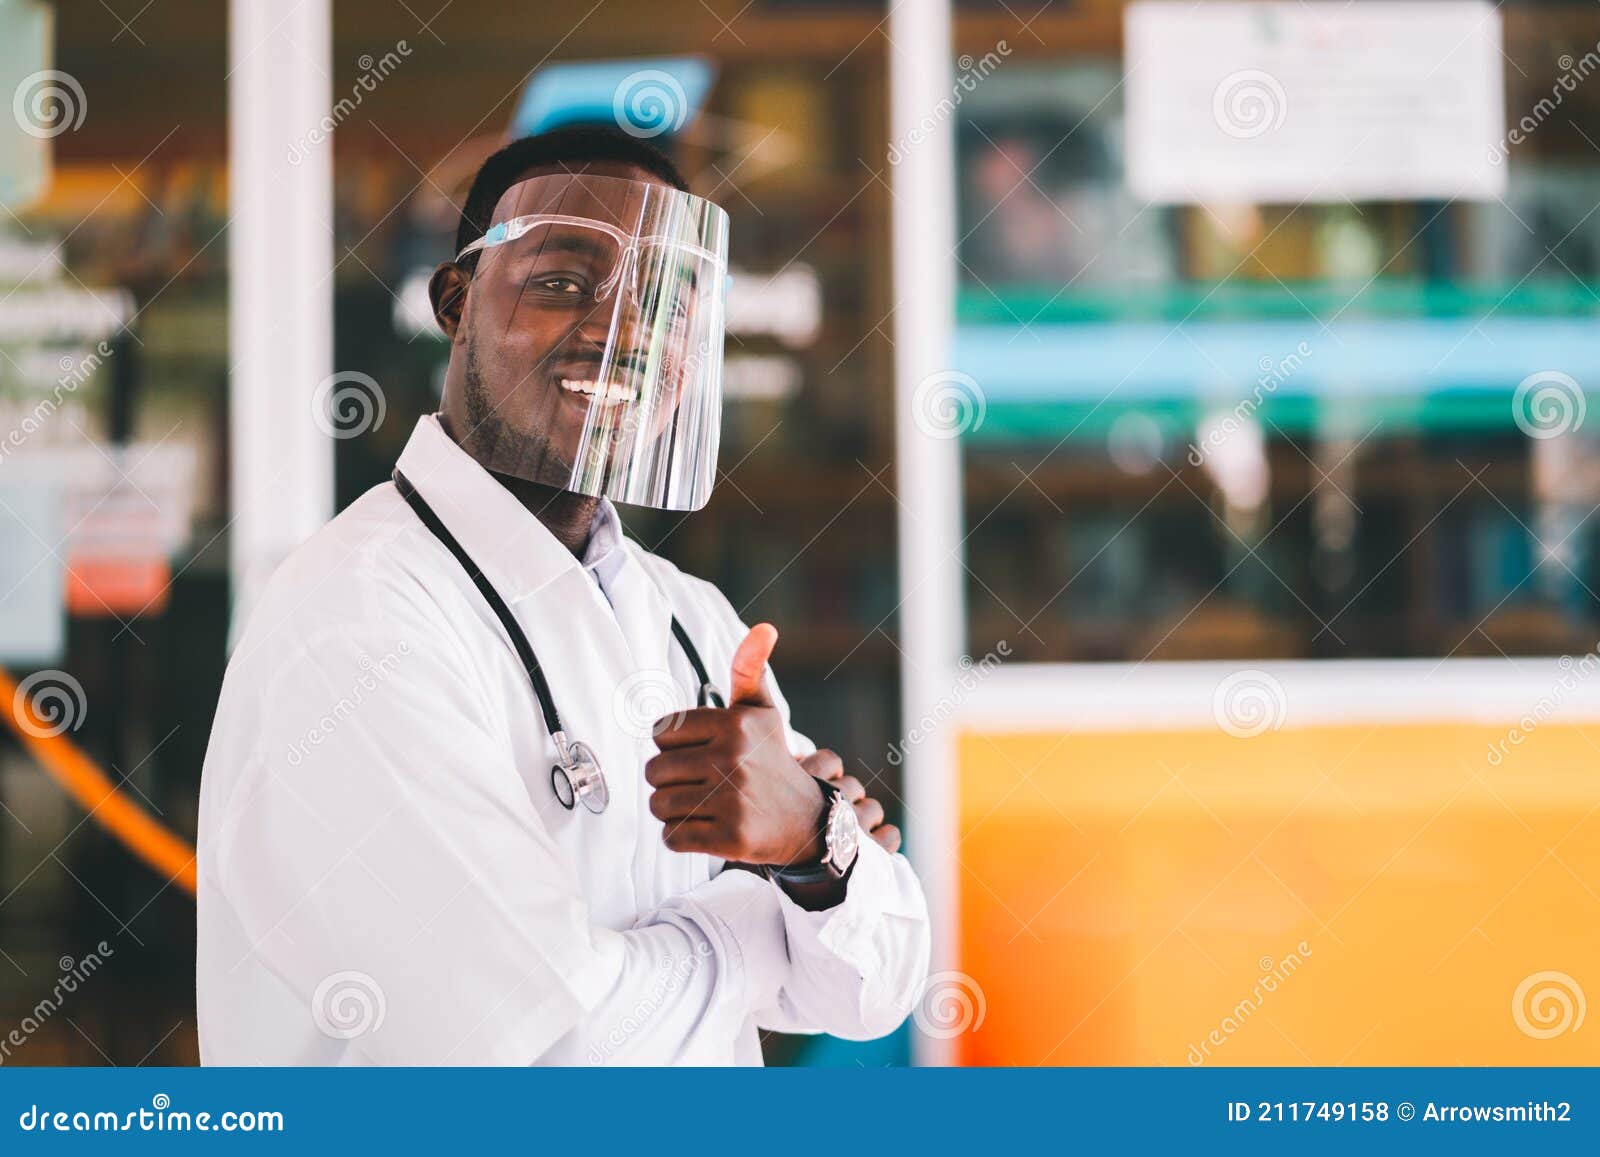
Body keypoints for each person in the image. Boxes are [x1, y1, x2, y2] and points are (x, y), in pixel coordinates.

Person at [196, 126, 931, 1065]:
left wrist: (808, 849)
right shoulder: (358, 616)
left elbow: (877, 984)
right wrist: (754, 931)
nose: (619, 330)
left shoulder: (691, 622)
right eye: (561, 282)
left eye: (662, 300)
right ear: (456, 303)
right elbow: (543, 1046)